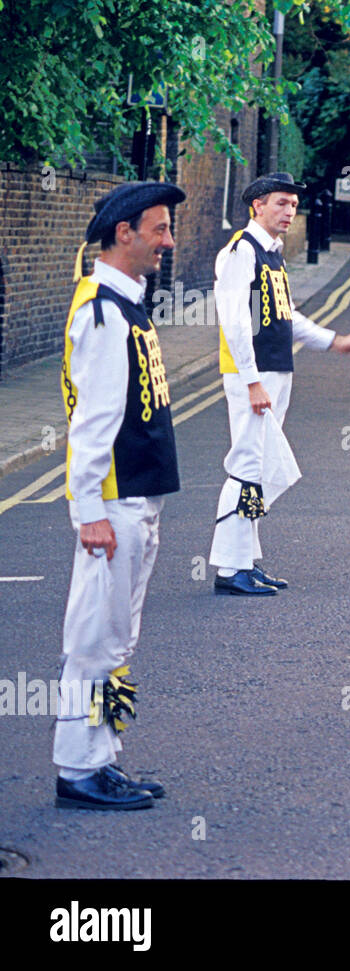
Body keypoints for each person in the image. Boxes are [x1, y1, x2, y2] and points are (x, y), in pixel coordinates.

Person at [54, 181, 186, 810]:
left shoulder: (124, 302)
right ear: (123, 233)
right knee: (95, 640)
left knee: (117, 641)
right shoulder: (105, 312)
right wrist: (89, 513)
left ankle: (104, 756)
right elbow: (92, 421)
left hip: (134, 498)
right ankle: (78, 770)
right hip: (114, 504)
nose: (168, 240)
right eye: (158, 229)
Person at [208, 172, 350, 596]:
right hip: (254, 377)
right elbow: (236, 323)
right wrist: (252, 382)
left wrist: (333, 341)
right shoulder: (241, 251)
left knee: (264, 468)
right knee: (247, 468)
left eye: (293, 205)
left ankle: (244, 561)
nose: (289, 211)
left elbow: (287, 317)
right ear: (256, 205)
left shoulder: (271, 254)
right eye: (281, 203)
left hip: (275, 372)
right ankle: (228, 568)